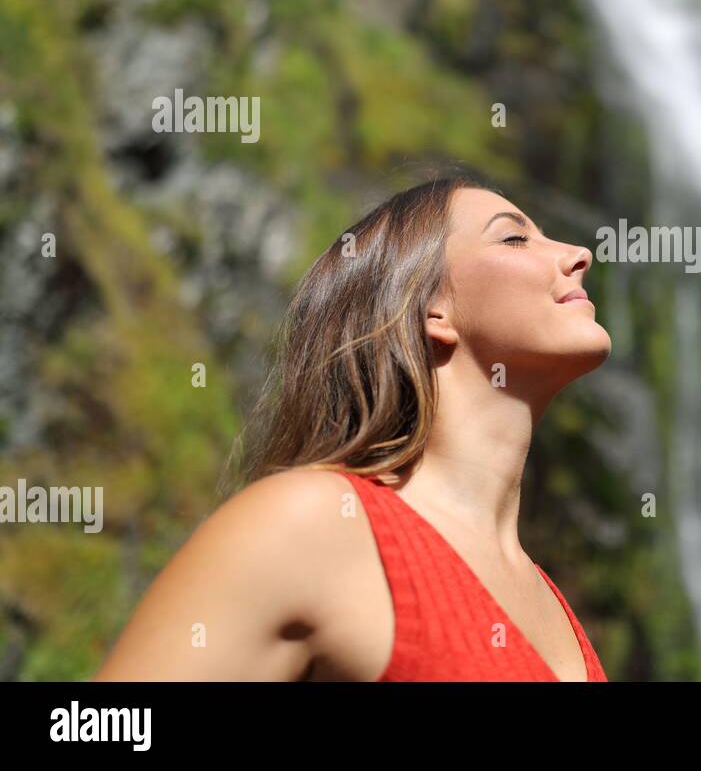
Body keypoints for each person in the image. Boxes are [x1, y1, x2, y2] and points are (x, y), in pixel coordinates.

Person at [94, 172, 612, 681]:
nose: (578, 255)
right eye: (515, 238)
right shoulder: (313, 524)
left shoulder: (555, 606)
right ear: (433, 309)